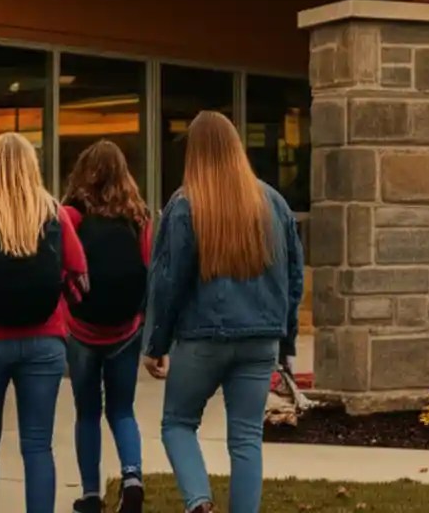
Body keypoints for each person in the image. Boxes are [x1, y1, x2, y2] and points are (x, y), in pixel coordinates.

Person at [146, 111, 304, 513]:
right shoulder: (273, 203)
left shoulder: (184, 205)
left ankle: (199, 504)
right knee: (247, 437)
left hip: (202, 338)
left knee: (178, 424)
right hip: (260, 339)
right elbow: (294, 276)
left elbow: (168, 281)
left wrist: (157, 342)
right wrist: (286, 338)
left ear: (195, 153)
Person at [0, 132, 88, 513]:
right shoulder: (53, 211)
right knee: (38, 444)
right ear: (32, 167)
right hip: (45, 339)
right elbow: (79, 270)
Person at [61, 141, 152, 513]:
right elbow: (147, 269)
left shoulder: (72, 213)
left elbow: (63, 266)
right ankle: (132, 477)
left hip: (81, 328)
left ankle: (91, 494)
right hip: (125, 329)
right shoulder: (138, 216)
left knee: (87, 412)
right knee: (122, 409)